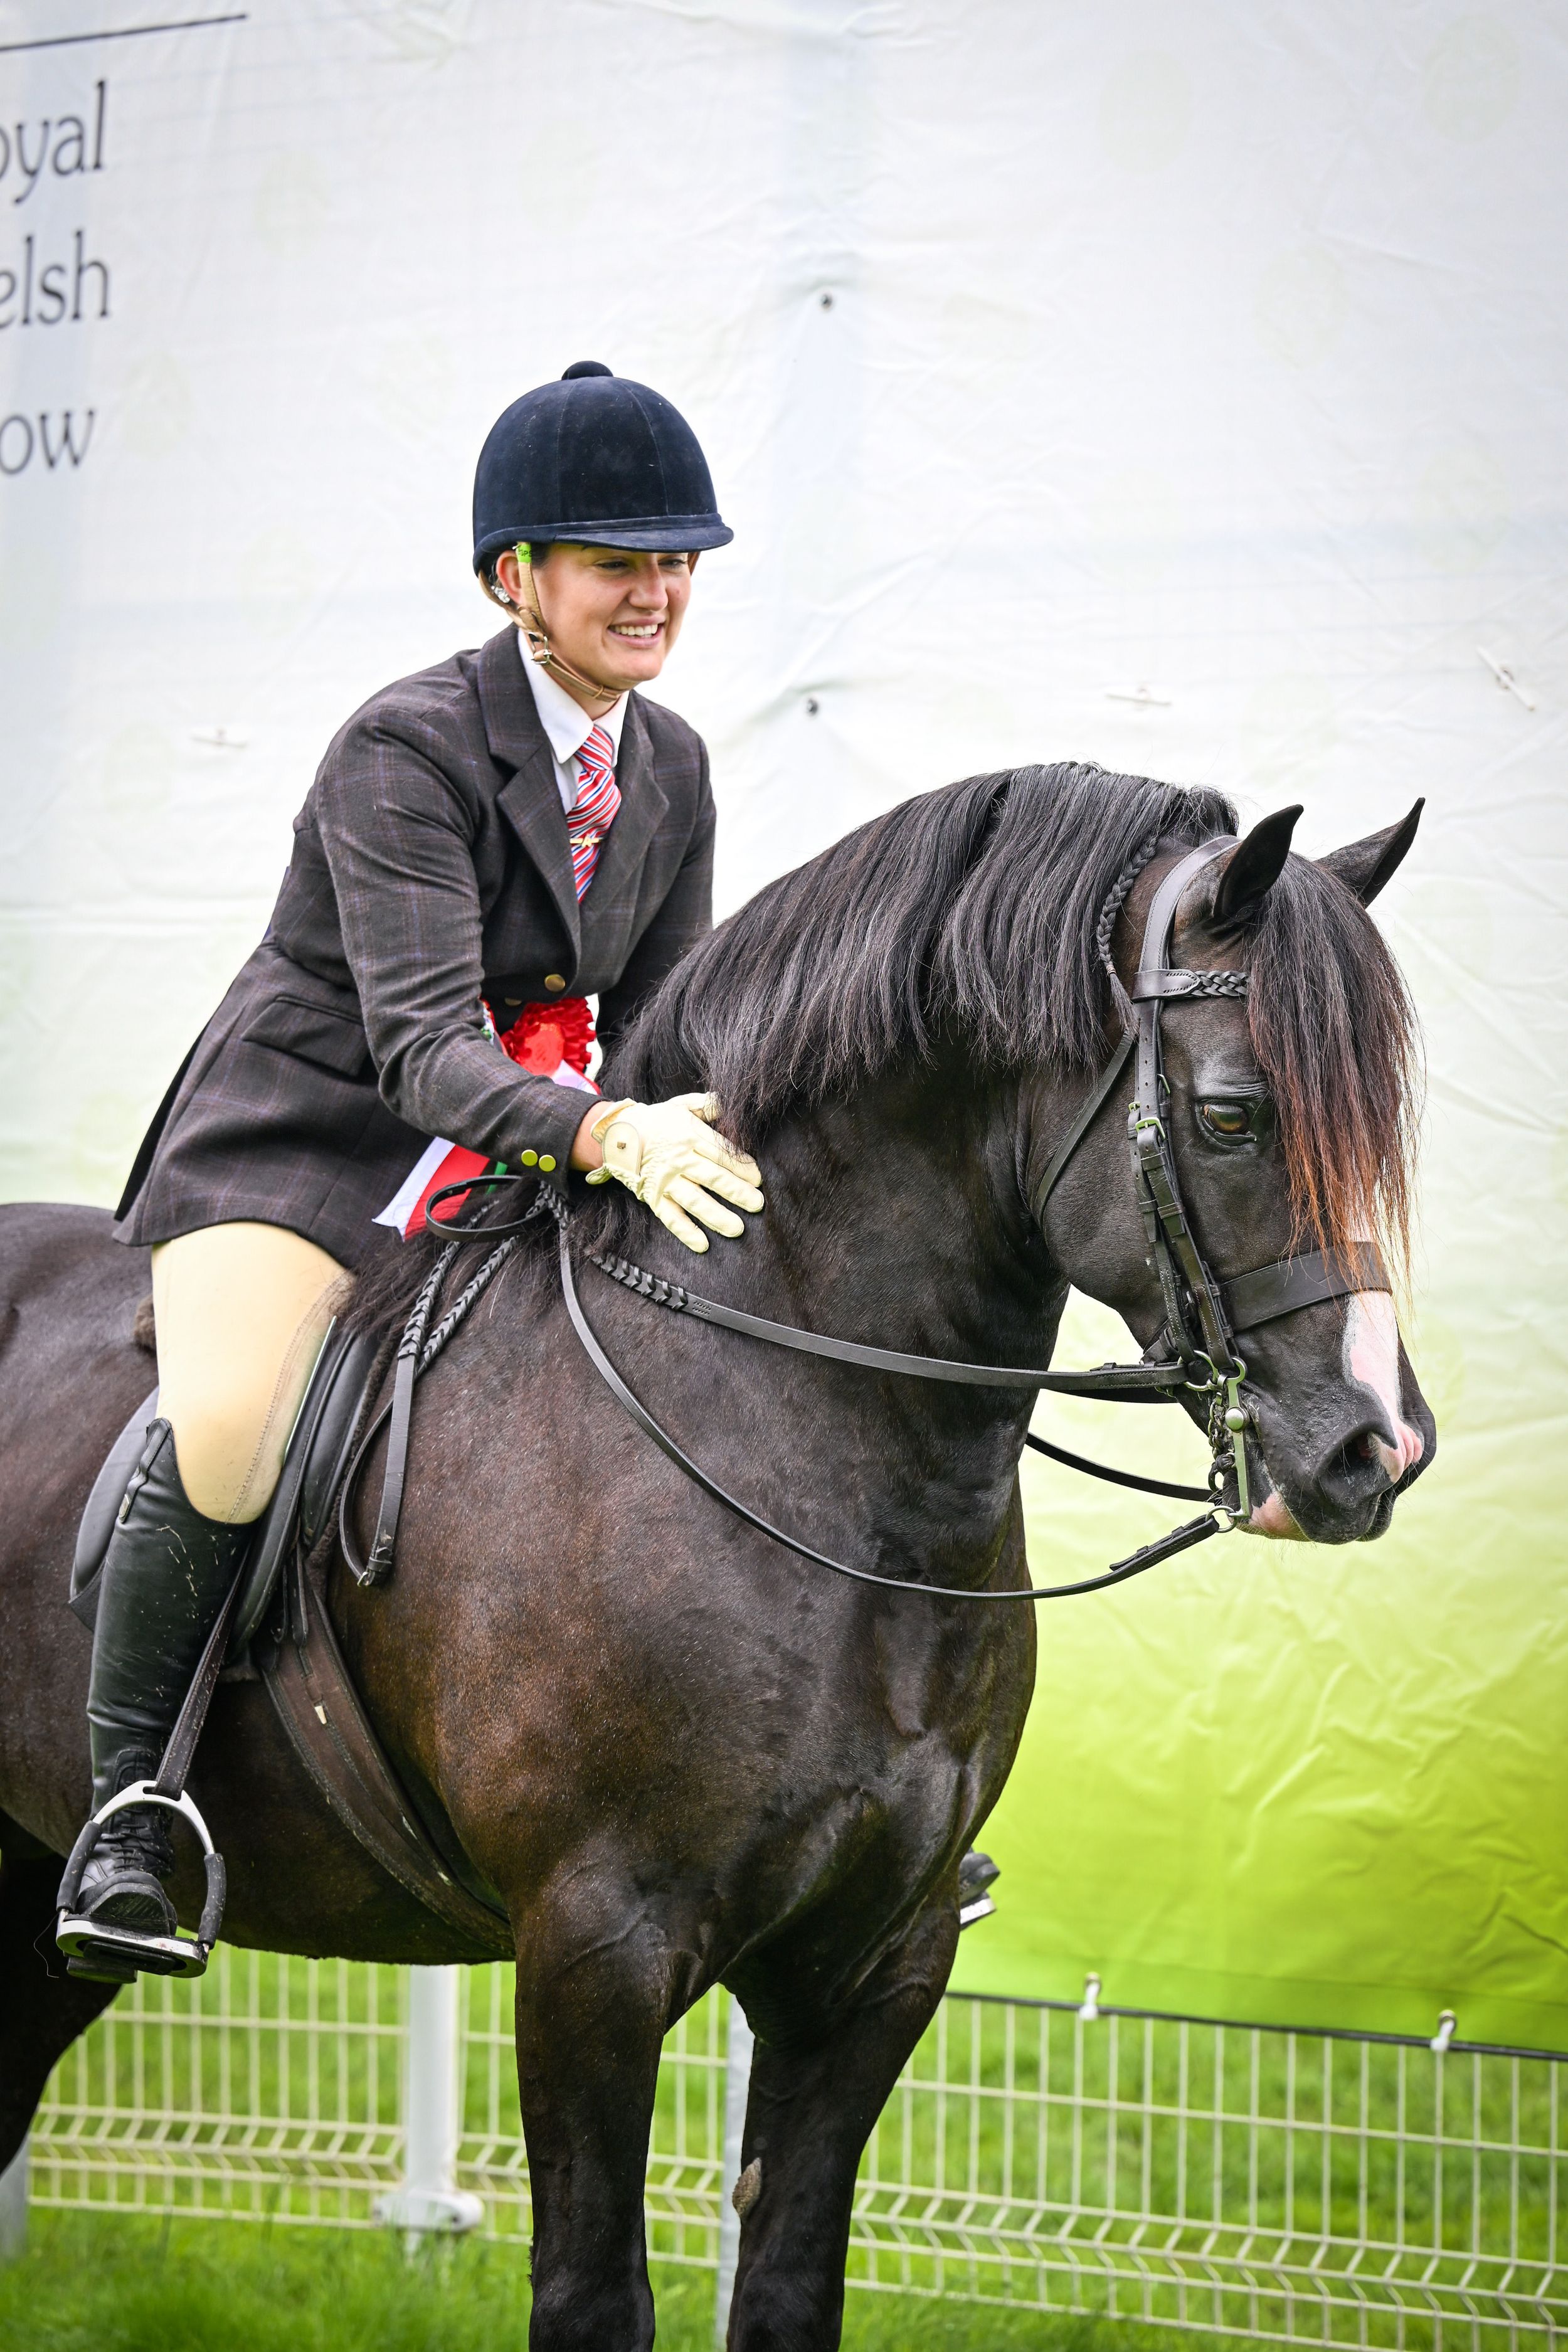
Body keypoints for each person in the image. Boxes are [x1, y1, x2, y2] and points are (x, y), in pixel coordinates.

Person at [68, 362, 763, 1959]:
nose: (655, 591)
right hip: (311, 1142)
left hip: (519, 1150)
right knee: (234, 1423)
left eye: (676, 561)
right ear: (514, 578)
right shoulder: (408, 745)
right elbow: (417, 1048)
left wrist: (684, 1120)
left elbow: (658, 1015)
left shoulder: (669, 770)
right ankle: (129, 1816)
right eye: (615, 561)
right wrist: (603, 1129)